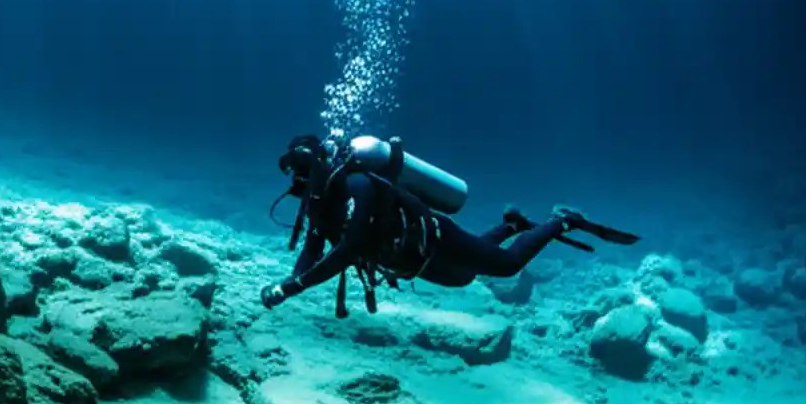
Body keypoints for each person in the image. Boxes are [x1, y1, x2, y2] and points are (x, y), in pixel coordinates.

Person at [260, 133, 638, 316]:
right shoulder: (320, 207)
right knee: (466, 277)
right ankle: (511, 225)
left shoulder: (357, 185)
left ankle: (563, 221)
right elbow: (312, 248)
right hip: (413, 260)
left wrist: (293, 287)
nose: (296, 181)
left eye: (301, 169)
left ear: (321, 163)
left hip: (434, 237)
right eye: (293, 173)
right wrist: (287, 282)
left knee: (505, 267)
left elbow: (350, 248)